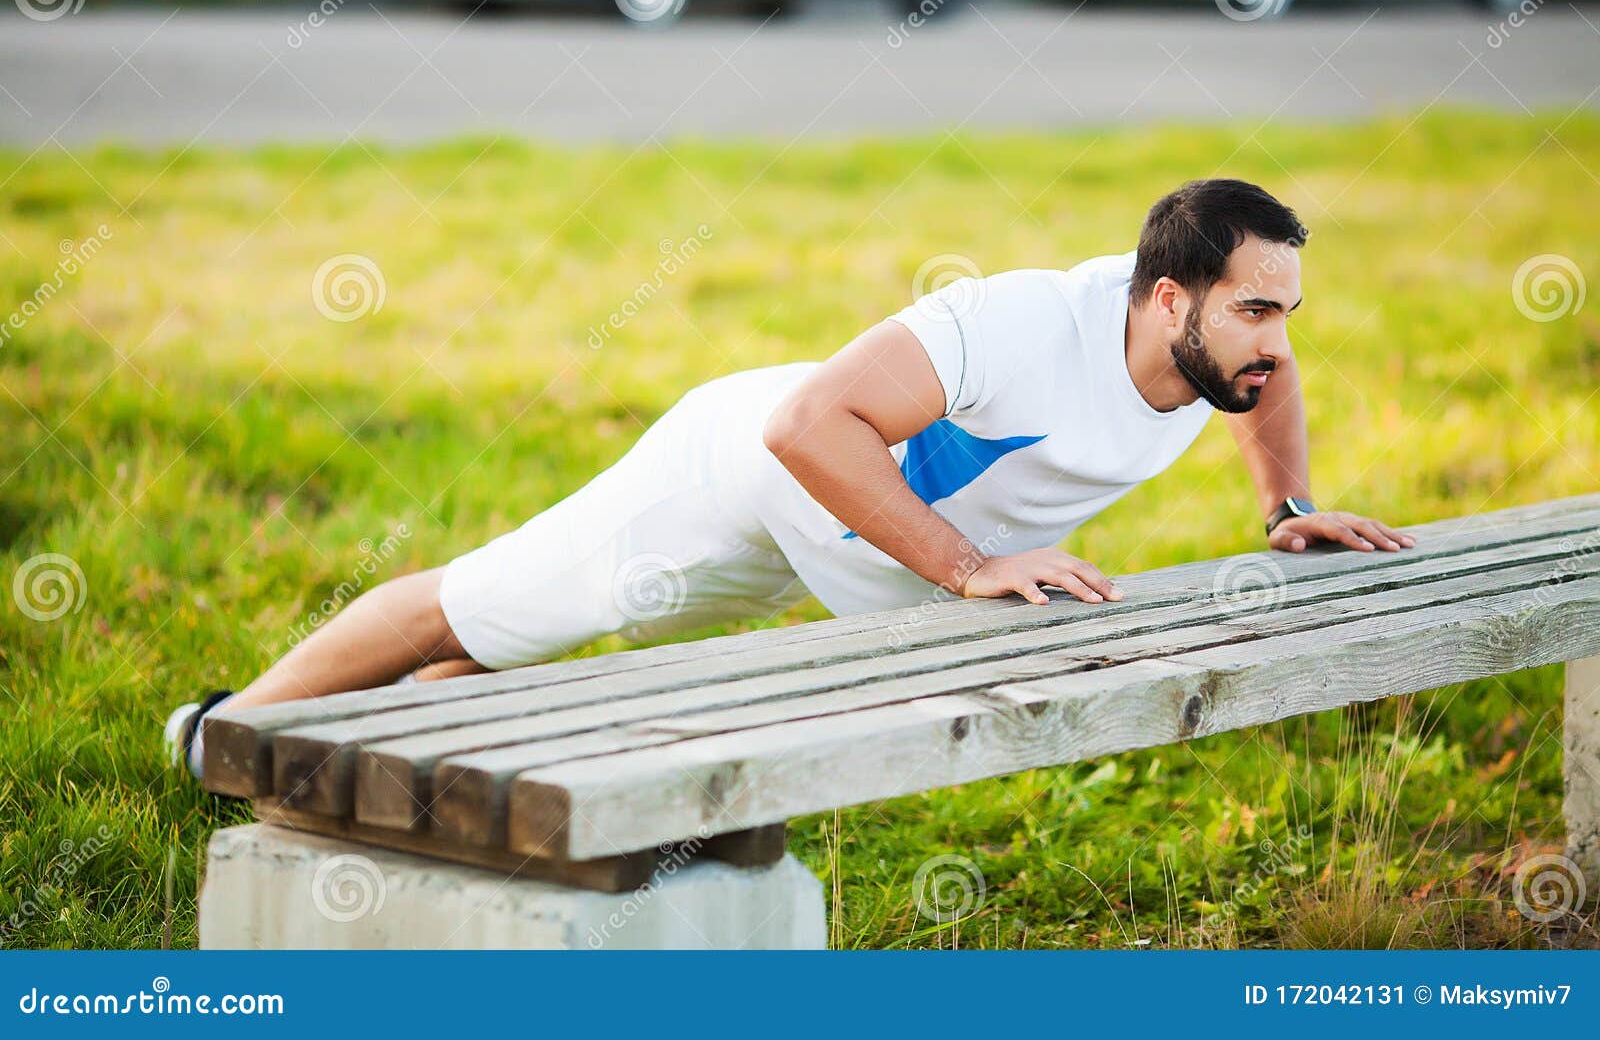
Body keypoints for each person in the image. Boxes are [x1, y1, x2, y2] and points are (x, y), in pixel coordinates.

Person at [166, 178, 1414, 778]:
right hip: (744, 480)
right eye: (1256, 309)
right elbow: (810, 421)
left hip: (863, 557)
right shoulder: (1023, 324)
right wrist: (971, 567)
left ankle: (351, 752)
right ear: (1167, 298)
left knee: (518, 647)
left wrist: (1288, 509)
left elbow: (1276, 382)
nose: (1276, 340)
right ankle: (219, 736)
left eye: (1286, 311)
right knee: (480, 607)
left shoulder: (1222, 350)